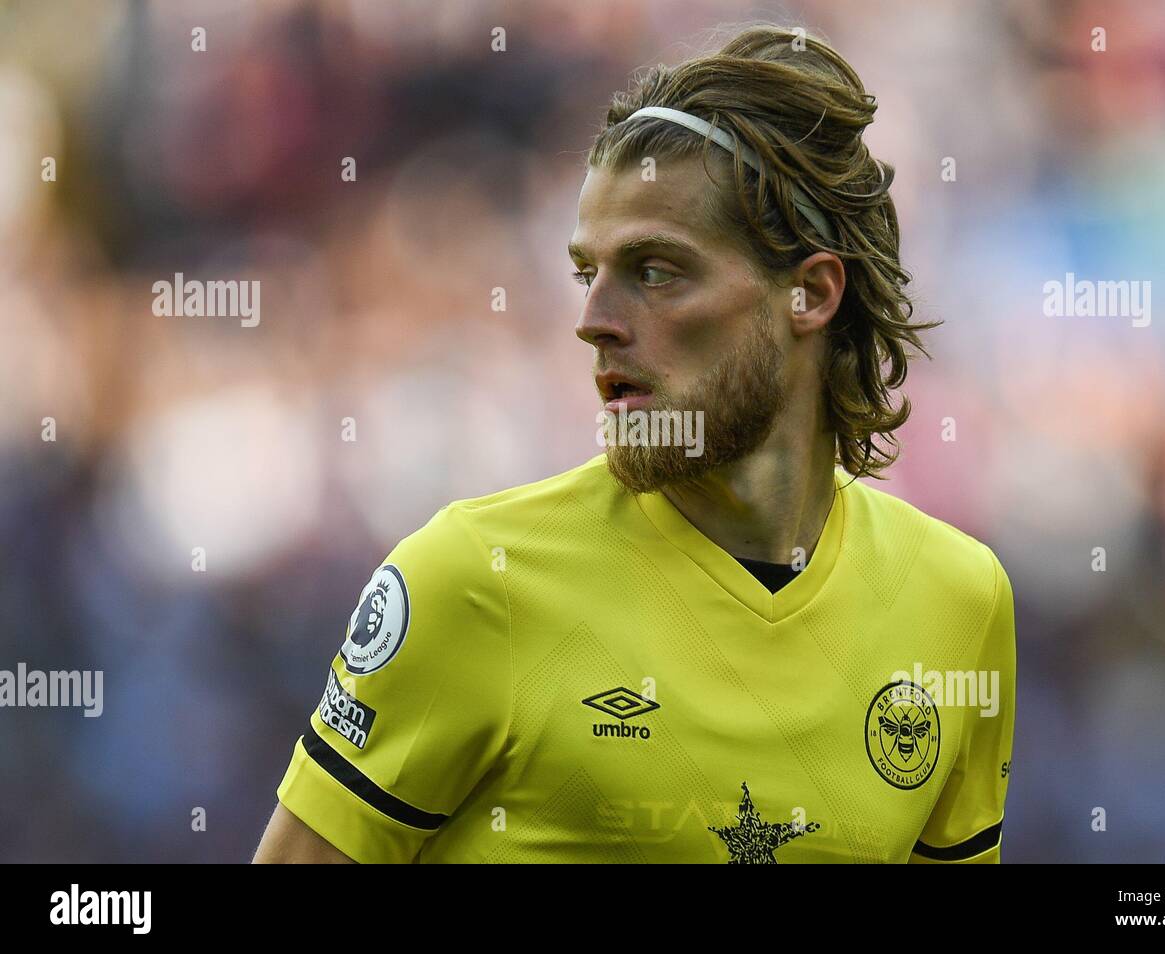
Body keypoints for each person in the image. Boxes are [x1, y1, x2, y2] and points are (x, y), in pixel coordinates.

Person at [254, 23, 1015, 864]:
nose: (593, 323)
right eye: (590, 273)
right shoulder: (473, 581)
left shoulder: (959, 600)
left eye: (655, 271)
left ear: (810, 292)